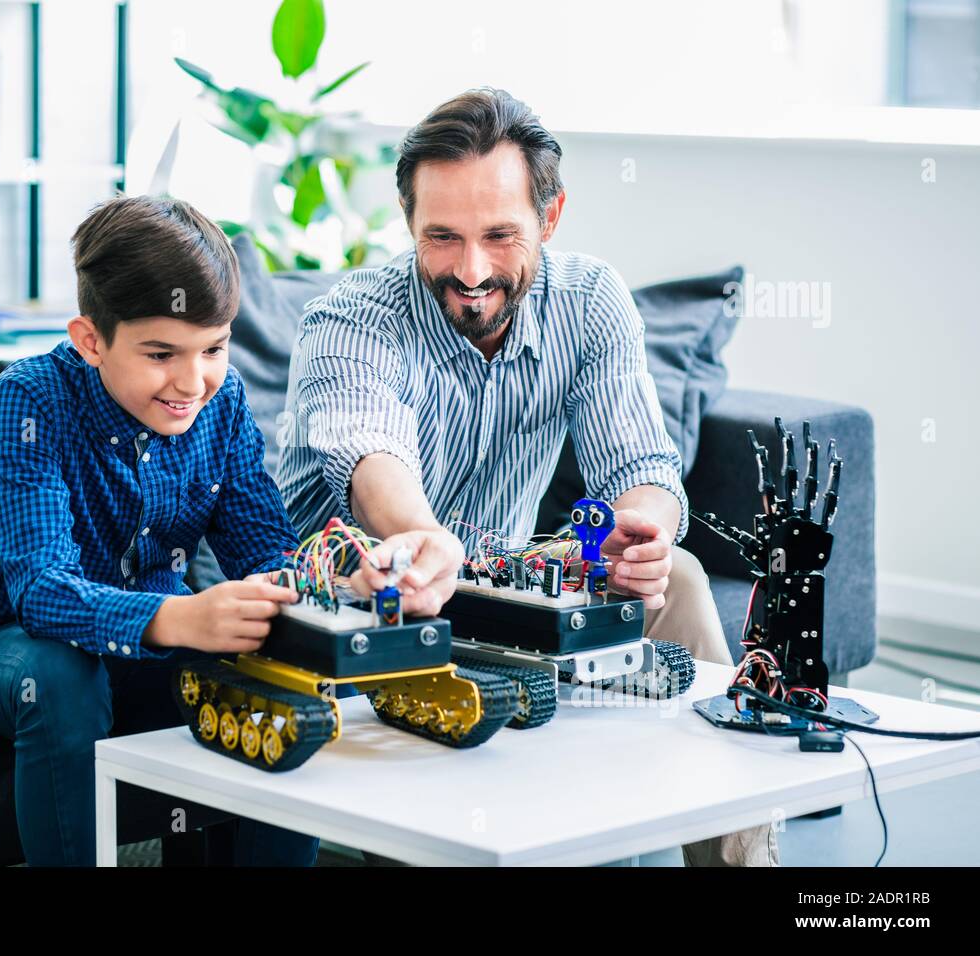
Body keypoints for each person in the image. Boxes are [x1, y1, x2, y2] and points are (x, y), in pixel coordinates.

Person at [277, 88, 778, 867]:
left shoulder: (590, 302)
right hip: (368, 601)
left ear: (549, 218)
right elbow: (372, 459)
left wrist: (642, 532)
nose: (470, 271)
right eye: (441, 236)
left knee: (675, 576)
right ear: (407, 220)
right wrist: (424, 540)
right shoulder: (349, 320)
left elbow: (641, 467)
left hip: (496, 585)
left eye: (499, 235)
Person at [0, 194, 317, 867]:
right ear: (90, 340)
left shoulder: (224, 402)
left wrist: (322, 582)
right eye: (161, 353)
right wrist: (182, 618)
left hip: (142, 648)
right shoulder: (29, 399)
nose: (194, 381)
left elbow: (266, 552)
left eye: (213, 348)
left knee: (278, 660)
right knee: (62, 673)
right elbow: (42, 593)